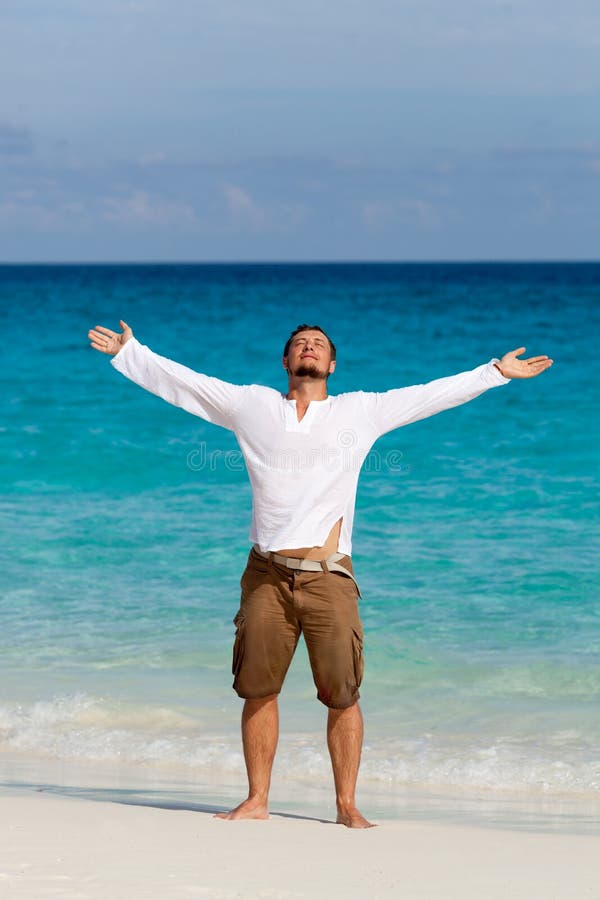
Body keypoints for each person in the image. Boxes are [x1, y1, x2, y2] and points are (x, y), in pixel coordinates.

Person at [88, 319, 553, 828]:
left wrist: (495, 372)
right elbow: (185, 384)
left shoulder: (361, 411)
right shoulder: (253, 406)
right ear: (286, 362)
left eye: (319, 346)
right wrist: (131, 353)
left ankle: (346, 805)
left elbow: (430, 395)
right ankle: (257, 800)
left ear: (331, 365)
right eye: (299, 344)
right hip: (266, 574)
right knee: (258, 690)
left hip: (329, 576)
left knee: (343, 693)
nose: (309, 348)